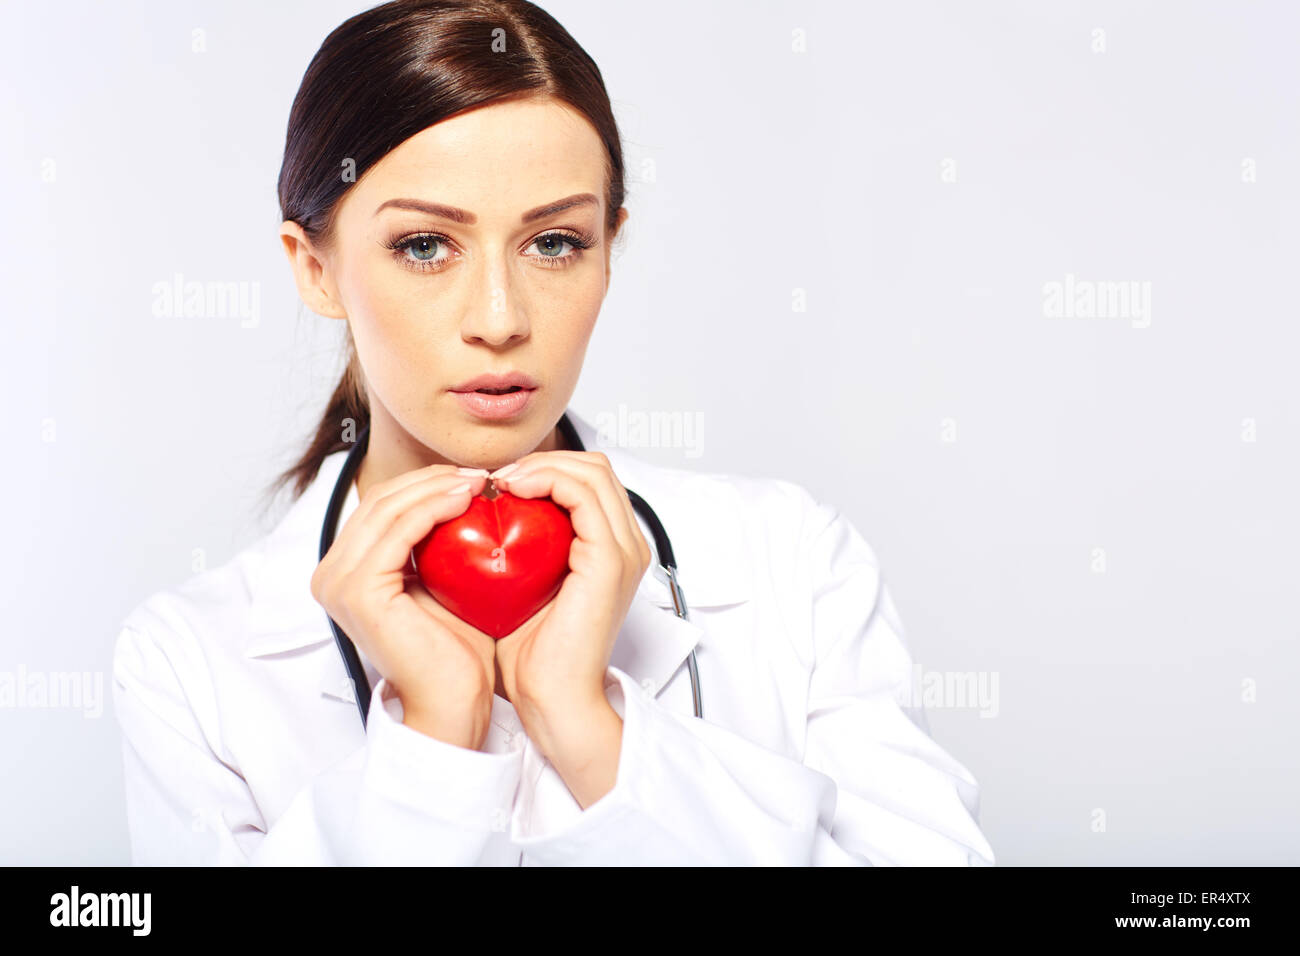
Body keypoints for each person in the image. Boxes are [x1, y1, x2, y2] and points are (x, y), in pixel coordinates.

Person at [111, 0, 996, 866]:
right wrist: (432, 742)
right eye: (425, 246)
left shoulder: (795, 565)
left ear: (611, 247)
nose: (499, 320)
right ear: (316, 269)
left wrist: (589, 730)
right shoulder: (188, 664)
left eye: (555, 243)